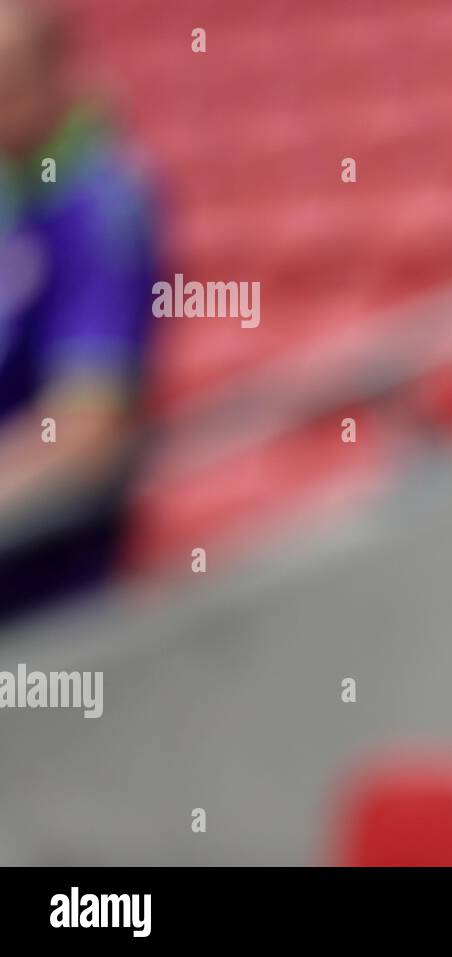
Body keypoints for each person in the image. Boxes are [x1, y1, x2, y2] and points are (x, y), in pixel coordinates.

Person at [0, 0, 158, 623]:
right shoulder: (17, 194)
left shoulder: (98, 206)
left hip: (49, 590)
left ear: (51, 74)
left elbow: (86, 432)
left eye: (8, 83)